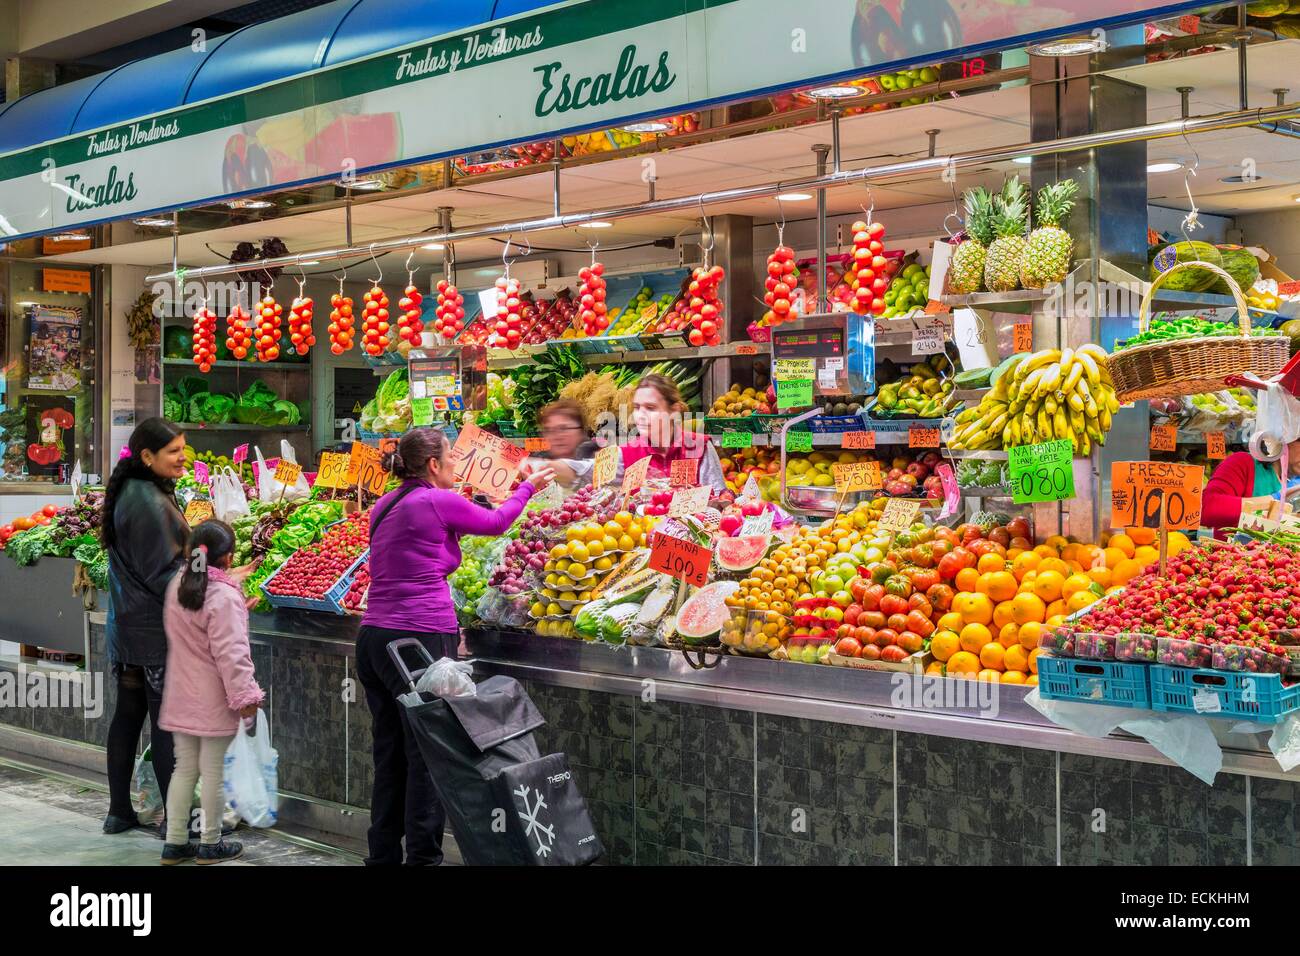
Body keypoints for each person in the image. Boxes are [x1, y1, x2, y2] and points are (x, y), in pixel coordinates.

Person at [358, 427, 555, 865]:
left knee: (390, 752)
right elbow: (498, 523)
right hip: (418, 639)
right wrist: (528, 486)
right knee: (429, 752)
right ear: (432, 465)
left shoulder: (385, 504)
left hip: (374, 639)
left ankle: (382, 857)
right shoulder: (435, 499)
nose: (455, 465)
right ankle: (423, 860)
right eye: (450, 458)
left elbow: (423, 544)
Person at [101, 417, 189, 835]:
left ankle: (119, 812)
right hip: (154, 630)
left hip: (129, 626)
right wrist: (212, 582)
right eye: (173, 452)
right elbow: (165, 574)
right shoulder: (149, 501)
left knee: (128, 716)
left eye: (183, 449)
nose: (182, 458)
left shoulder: (136, 490)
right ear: (147, 456)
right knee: (166, 724)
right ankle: (177, 826)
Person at [158, 520, 264, 865]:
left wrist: (234, 595)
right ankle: (210, 843)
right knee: (214, 772)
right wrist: (247, 700)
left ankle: (174, 844)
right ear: (229, 557)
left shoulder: (179, 584)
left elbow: (201, 623)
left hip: (180, 694)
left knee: (184, 768)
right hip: (213, 699)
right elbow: (232, 655)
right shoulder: (223, 597)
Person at [619, 373, 726, 494]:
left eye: (650, 407)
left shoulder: (700, 446)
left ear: (674, 410)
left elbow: (720, 498)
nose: (641, 415)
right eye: (637, 407)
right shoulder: (625, 453)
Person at [1202, 439, 1300, 531]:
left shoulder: (1294, 482)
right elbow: (1206, 509)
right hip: (1233, 549)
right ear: (1284, 439)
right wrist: (1276, 499)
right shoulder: (1243, 463)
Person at [533, 399, 598, 494]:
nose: (556, 436)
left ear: (581, 431)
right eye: (549, 430)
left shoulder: (597, 461)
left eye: (563, 428)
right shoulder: (537, 465)